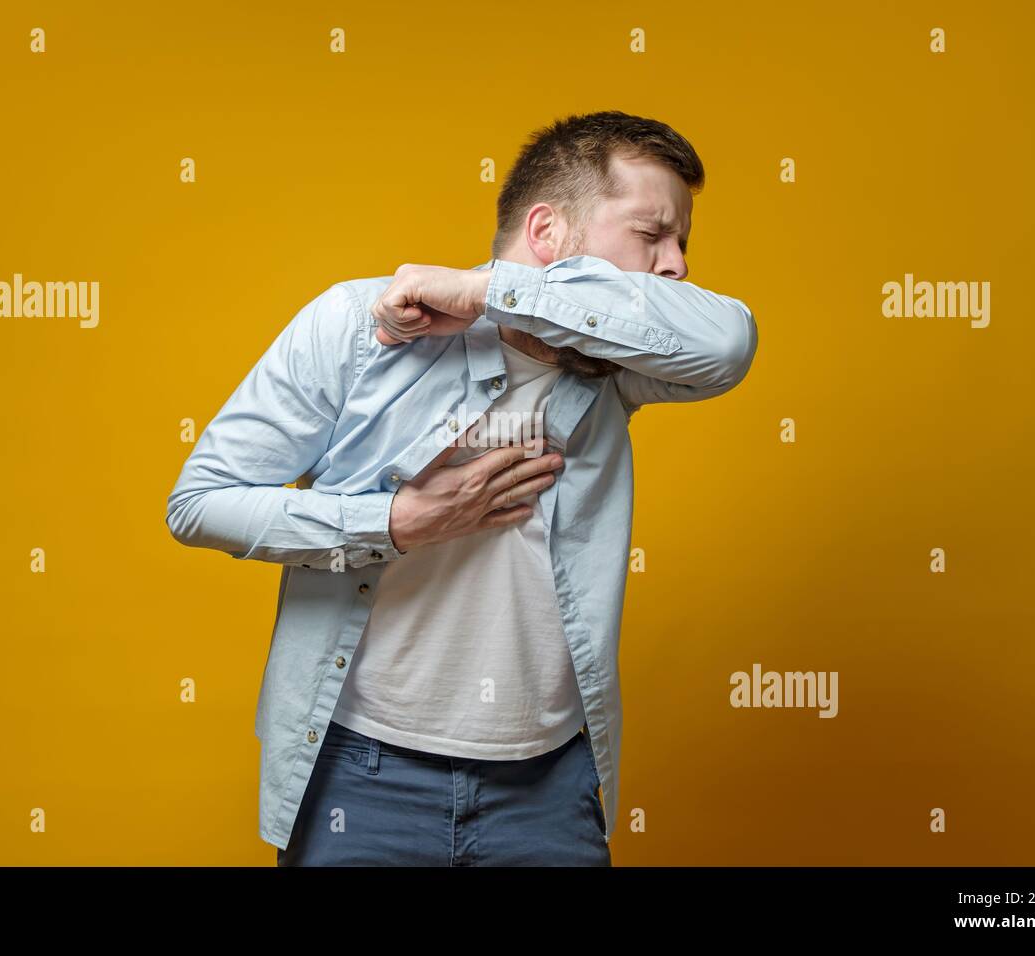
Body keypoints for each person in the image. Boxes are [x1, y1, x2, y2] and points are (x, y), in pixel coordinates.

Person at [165, 110, 758, 865]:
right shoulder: (356, 326)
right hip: (359, 773)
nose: (675, 266)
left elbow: (728, 342)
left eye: (683, 242)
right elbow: (199, 502)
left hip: (548, 789)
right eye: (651, 236)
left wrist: (487, 292)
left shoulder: (622, 367)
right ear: (547, 232)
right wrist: (395, 522)